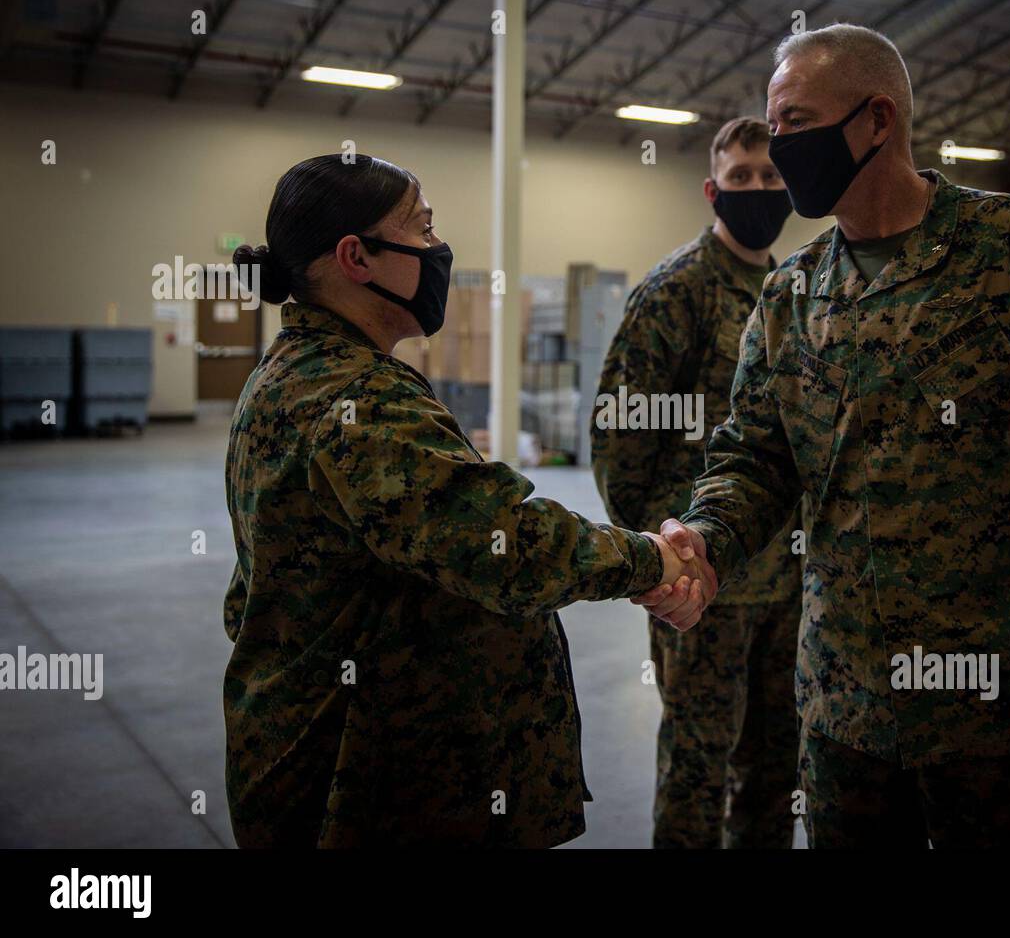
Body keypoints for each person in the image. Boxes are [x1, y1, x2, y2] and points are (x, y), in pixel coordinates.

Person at [639, 24, 1010, 849]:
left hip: (1000, 710)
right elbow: (755, 455)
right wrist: (707, 539)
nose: (782, 147)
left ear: (877, 121)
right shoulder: (792, 293)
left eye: (795, 123)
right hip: (844, 708)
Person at [222, 153, 714, 848]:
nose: (436, 249)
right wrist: (654, 561)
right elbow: (506, 544)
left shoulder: (299, 373)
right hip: (376, 791)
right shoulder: (354, 400)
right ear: (356, 256)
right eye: (421, 229)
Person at [592, 117, 801, 848]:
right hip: (705, 582)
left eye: (771, 176)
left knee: (780, 764)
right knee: (698, 760)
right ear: (713, 189)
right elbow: (619, 444)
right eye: (740, 177)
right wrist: (665, 562)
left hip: (790, 577)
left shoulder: (792, 289)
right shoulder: (675, 290)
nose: (756, 189)